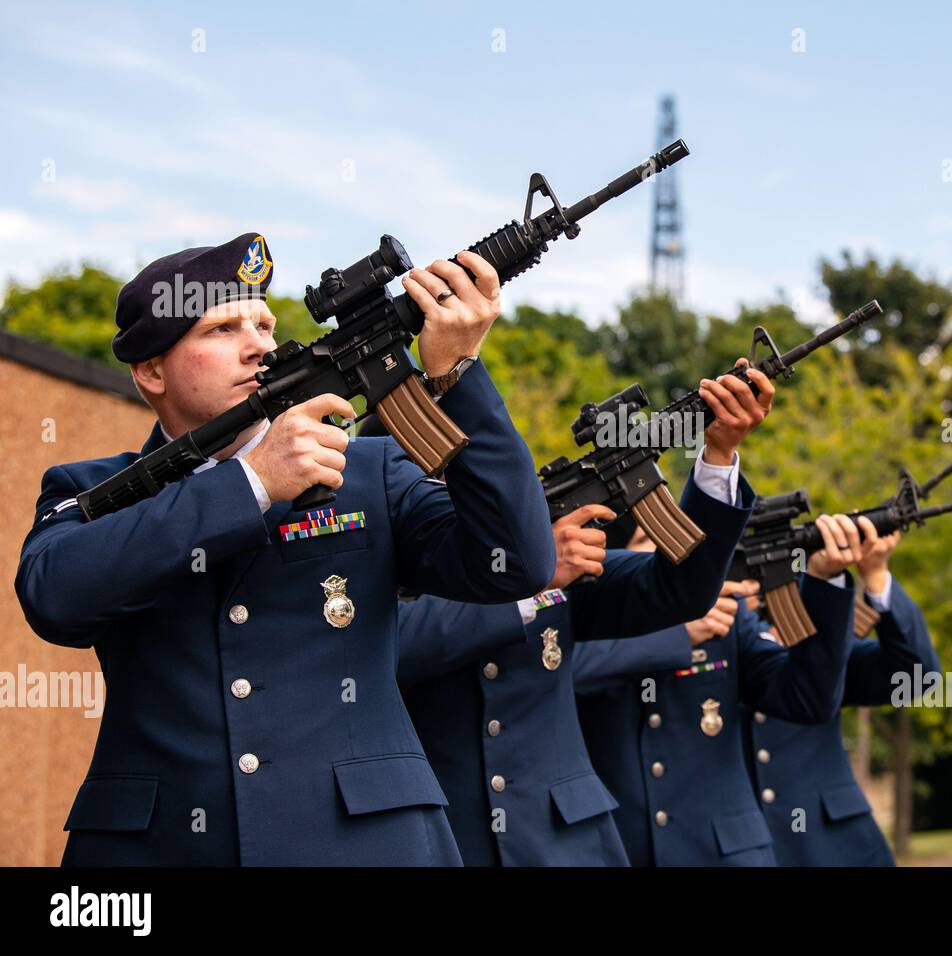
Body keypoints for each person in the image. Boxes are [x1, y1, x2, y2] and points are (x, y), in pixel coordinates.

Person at [14, 232, 556, 866]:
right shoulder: (89, 491)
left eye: (265, 324)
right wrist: (251, 483)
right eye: (221, 329)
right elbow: (55, 597)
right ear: (151, 371)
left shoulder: (371, 472)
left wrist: (459, 375)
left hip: (368, 847)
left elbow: (515, 562)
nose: (259, 345)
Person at [394, 362, 774, 865]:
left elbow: (679, 590)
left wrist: (718, 455)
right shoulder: (389, 569)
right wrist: (530, 576)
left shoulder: (541, 540)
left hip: (567, 843)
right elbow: (402, 645)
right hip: (448, 842)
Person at [572, 513, 862, 866]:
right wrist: (676, 634)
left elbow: (808, 699)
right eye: (646, 547)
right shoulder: (587, 619)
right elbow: (568, 669)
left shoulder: (724, 609)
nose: (663, 560)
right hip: (623, 853)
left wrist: (825, 580)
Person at [742, 518, 938, 866]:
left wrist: (875, 575)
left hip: (835, 845)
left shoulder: (816, 650)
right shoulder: (696, 645)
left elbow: (916, 676)